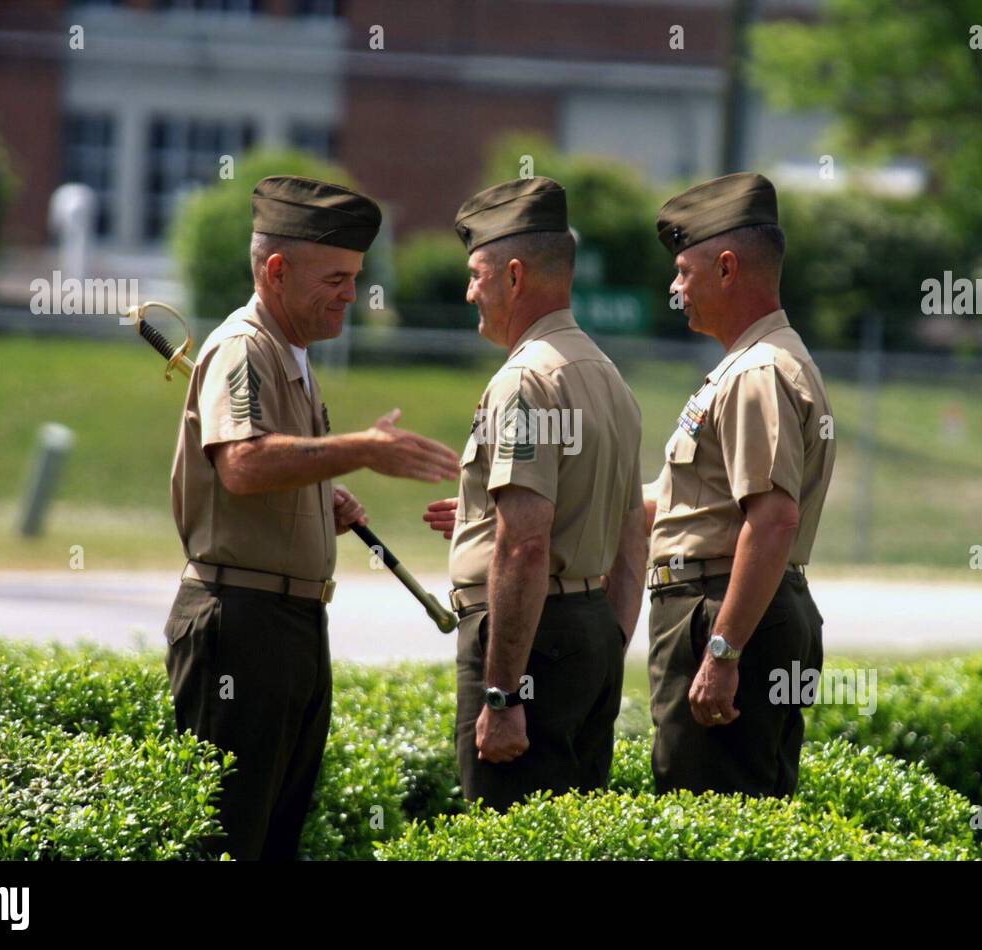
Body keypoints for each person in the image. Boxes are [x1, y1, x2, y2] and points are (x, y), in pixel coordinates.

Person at [163, 175, 461, 859]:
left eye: (355, 277)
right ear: (275, 271)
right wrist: (358, 450)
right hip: (241, 624)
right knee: (229, 841)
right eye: (335, 277)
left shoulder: (288, 355)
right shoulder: (245, 347)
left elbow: (266, 466)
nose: (351, 295)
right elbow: (241, 463)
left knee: (274, 839)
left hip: (289, 624)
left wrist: (310, 495)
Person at [422, 177, 647, 812]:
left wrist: (502, 696)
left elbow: (524, 546)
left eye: (476, 275)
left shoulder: (525, 381)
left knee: (507, 834)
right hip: (587, 633)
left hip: (528, 645)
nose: (470, 292)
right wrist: (606, 643)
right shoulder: (607, 375)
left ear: (514, 277)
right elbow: (633, 532)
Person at [643, 172, 836, 797]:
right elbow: (677, 505)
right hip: (732, 608)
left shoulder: (757, 371)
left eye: (683, 271)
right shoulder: (757, 361)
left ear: (727, 267)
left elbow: (772, 519)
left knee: (711, 813)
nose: (676, 288)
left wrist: (723, 653)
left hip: (723, 611)